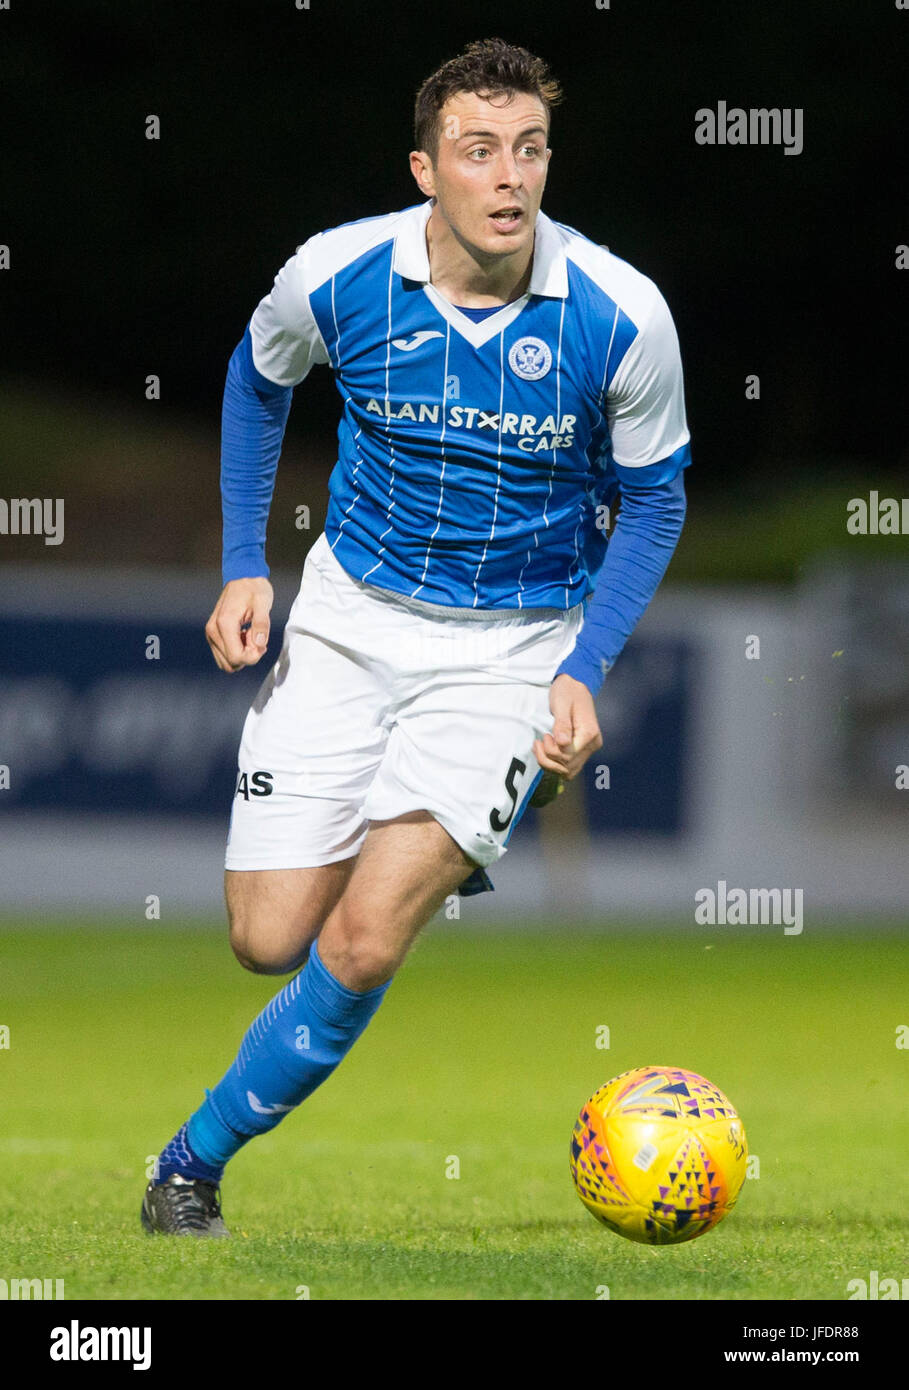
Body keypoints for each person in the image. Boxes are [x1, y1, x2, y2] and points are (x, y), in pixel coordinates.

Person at [141, 36, 690, 1236]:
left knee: (367, 933)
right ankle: (464, 814)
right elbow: (256, 377)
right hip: (346, 625)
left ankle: (188, 1166)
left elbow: (656, 497)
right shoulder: (336, 275)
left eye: (530, 150)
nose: (510, 177)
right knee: (266, 935)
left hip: (509, 654)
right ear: (425, 170)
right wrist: (246, 561)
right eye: (479, 151)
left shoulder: (622, 314)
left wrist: (582, 667)